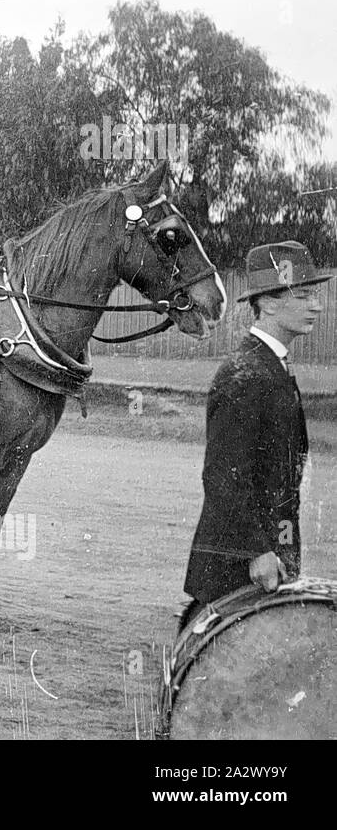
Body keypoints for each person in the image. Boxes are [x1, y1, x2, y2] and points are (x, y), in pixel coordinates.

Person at [180, 240, 328, 631]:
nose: (317, 306)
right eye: (306, 294)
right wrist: (258, 551)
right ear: (270, 302)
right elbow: (223, 477)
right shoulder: (245, 374)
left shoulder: (271, 366)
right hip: (240, 568)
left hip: (265, 560)